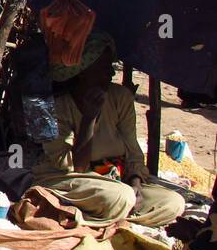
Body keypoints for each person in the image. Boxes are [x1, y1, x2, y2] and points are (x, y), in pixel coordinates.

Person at [31, 31, 185, 228]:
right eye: (104, 68)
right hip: (68, 180)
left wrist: (136, 182)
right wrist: (89, 119)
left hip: (116, 180)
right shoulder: (52, 107)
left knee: (173, 203)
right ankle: (108, 214)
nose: (111, 74)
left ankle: (111, 218)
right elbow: (75, 166)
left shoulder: (120, 98)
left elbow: (132, 152)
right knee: (120, 197)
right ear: (82, 70)